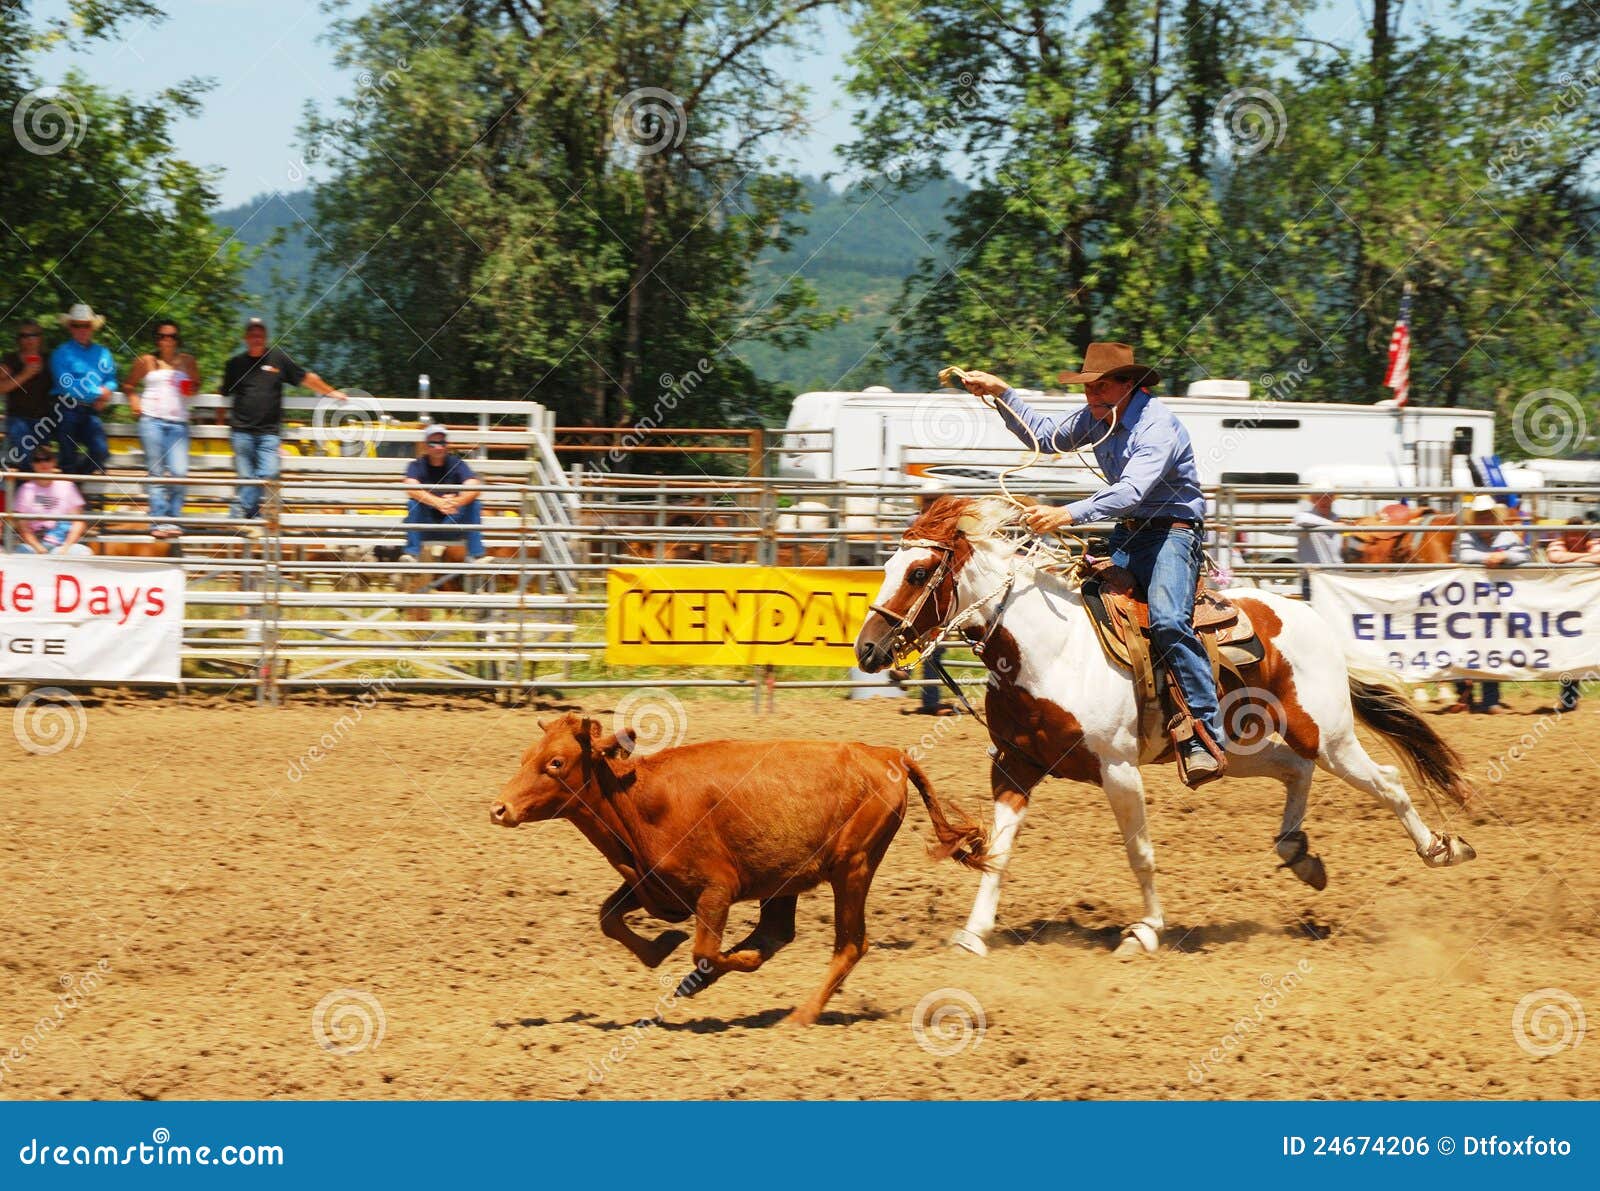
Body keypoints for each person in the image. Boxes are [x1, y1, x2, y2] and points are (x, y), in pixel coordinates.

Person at [958, 342, 1227, 786]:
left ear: (1130, 385)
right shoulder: (1100, 418)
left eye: (1101, 386)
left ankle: (1202, 732)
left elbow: (1132, 491)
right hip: (1131, 532)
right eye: (1088, 387)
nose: (1091, 396)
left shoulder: (1156, 428)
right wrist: (1002, 393)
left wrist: (1065, 514)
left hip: (1172, 533)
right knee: (1071, 608)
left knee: (1167, 621)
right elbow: (1045, 437)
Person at [220, 316, 346, 524]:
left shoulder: (278, 359)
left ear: (266, 337)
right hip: (241, 432)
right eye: (252, 334)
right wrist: (219, 423)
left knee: (267, 474)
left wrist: (331, 392)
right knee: (247, 478)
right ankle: (250, 520)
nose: (256, 338)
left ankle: (238, 514)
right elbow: (224, 393)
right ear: (246, 338)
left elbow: (306, 378)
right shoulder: (235, 364)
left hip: (268, 433)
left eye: (260, 334)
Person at [1449, 493, 1530, 715]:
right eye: (1480, 516)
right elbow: (1461, 555)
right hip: (1467, 603)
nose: (1484, 520)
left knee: (1493, 647)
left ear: (1495, 518)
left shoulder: (1506, 536)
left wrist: (1503, 556)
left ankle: (1490, 699)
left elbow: (1523, 555)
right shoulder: (1466, 536)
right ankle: (1464, 694)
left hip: (1496, 604)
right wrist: (1488, 558)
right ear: (1475, 519)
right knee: (1460, 644)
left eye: (1488, 516)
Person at [124, 318, 199, 538]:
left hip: (178, 423)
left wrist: (191, 388)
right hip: (152, 421)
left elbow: (196, 385)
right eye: (162, 336)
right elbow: (128, 384)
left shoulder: (187, 361)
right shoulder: (146, 361)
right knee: (156, 472)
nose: (167, 340)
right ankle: (158, 521)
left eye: (171, 336)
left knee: (179, 472)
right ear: (156, 339)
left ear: (178, 339)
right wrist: (133, 399)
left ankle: (174, 519)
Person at [48, 302, 115, 476]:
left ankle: (75, 485)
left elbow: (111, 380)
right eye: (77, 325)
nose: (82, 329)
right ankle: (74, 488)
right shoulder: (61, 353)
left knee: (101, 452)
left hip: (91, 410)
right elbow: (67, 386)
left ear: (92, 327)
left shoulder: (103, 353)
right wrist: (100, 392)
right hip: (65, 408)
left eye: (85, 325)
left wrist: (107, 389)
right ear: (70, 328)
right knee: (68, 455)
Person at [401, 425, 484, 561]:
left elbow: (474, 487)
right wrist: (438, 502)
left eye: (442, 442)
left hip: (453, 522)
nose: (439, 447)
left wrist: (457, 501)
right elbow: (411, 488)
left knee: (474, 504)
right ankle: (411, 554)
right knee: (413, 503)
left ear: (447, 445)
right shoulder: (416, 465)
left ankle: (477, 555)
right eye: (433, 443)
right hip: (426, 526)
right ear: (426, 446)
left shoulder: (457, 463)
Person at [1543, 515, 1600, 712]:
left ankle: (1569, 699)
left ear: (1585, 536)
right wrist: (1586, 560)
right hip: (1566, 606)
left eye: (1578, 534)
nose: (1574, 538)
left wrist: (1575, 560)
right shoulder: (1557, 543)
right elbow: (1555, 558)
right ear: (1565, 535)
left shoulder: (1594, 543)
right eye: (1571, 534)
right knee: (1571, 650)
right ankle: (1568, 699)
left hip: (1592, 606)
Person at [10, 444, 91, 555]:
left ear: (54, 462)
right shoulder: (25, 489)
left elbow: (78, 523)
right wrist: (38, 548)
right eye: (38, 460)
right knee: (21, 551)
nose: (43, 463)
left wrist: (66, 548)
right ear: (33, 464)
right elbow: (22, 525)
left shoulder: (67, 486)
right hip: (35, 543)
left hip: (61, 543)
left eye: (47, 459)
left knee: (83, 552)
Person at [0, 320, 53, 472]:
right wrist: (25, 374)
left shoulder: (49, 360)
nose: (29, 339)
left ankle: (26, 488)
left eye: (33, 335)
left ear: (40, 338)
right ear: (19, 339)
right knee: (26, 454)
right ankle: (26, 491)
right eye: (24, 335)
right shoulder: (11, 360)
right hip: (18, 418)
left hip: (44, 420)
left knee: (43, 459)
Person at [1292, 488, 1345, 599]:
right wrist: (1332, 524)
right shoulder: (1303, 516)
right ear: (1313, 501)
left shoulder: (1337, 518)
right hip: (1312, 579)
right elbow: (1302, 520)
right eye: (1319, 498)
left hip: (1334, 578)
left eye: (1327, 497)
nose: (1324, 501)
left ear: (1332, 500)